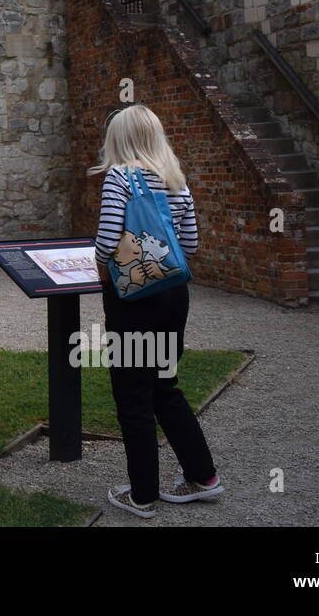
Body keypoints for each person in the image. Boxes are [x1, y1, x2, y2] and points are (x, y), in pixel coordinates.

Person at [88, 104, 223, 518]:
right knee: (165, 385)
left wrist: (102, 274)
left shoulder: (120, 177)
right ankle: (203, 477)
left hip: (135, 298)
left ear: (119, 138)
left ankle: (143, 495)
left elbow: (108, 240)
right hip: (173, 294)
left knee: (132, 394)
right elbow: (192, 245)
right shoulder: (175, 179)